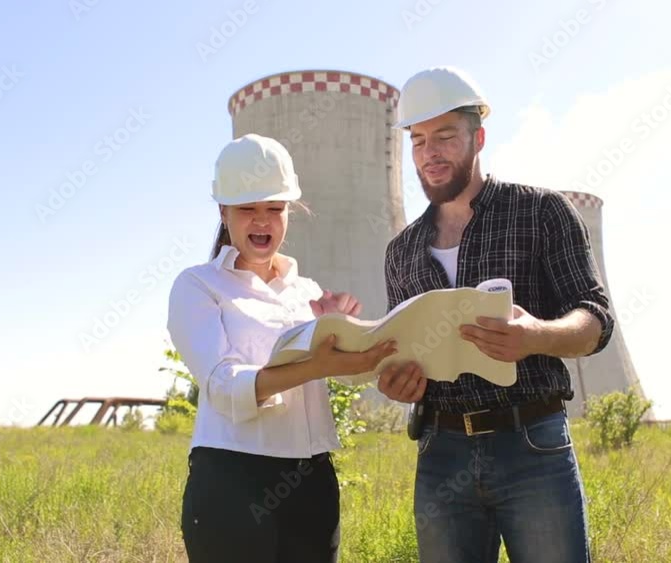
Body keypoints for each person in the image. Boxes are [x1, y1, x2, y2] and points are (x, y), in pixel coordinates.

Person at [376, 67, 615, 563]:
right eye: (418, 141)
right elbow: (402, 349)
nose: (429, 154)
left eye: (445, 137)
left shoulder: (542, 212)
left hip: (532, 445)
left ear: (478, 137)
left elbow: (595, 319)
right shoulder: (400, 251)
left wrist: (536, 336)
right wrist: (396, 381)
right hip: (440, 453)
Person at [167, 133, 397, 563]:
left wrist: (347, 337)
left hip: (312, 478)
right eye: (247, 209)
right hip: (232, 480)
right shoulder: (198, 286)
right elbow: (221, 385)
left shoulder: (305, 291)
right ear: (223, 212)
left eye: (274, 208)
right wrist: (315, 363)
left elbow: (342, 375)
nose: (262, 222)